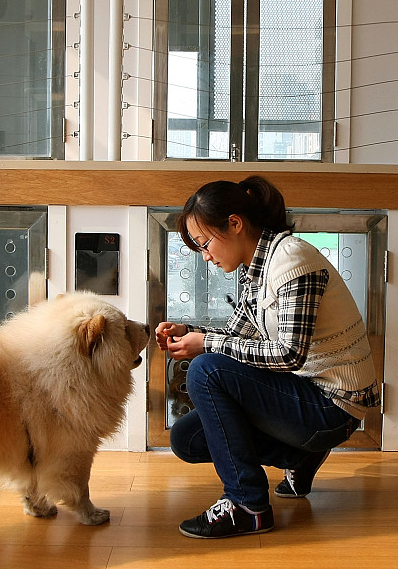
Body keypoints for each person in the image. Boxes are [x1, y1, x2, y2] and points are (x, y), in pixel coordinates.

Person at [155, 176, 380, 539]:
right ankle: (299, 456)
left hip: (333, 406)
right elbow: (237, 336)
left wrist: (205, 344)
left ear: (234, 223)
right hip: (304, 393)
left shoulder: (292, 259)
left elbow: (289, 354)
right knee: (186, 438)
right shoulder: (256, 270)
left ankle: (248, 506)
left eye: (205, 243)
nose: (206, 256)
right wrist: (189, 331)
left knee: (204, 370)